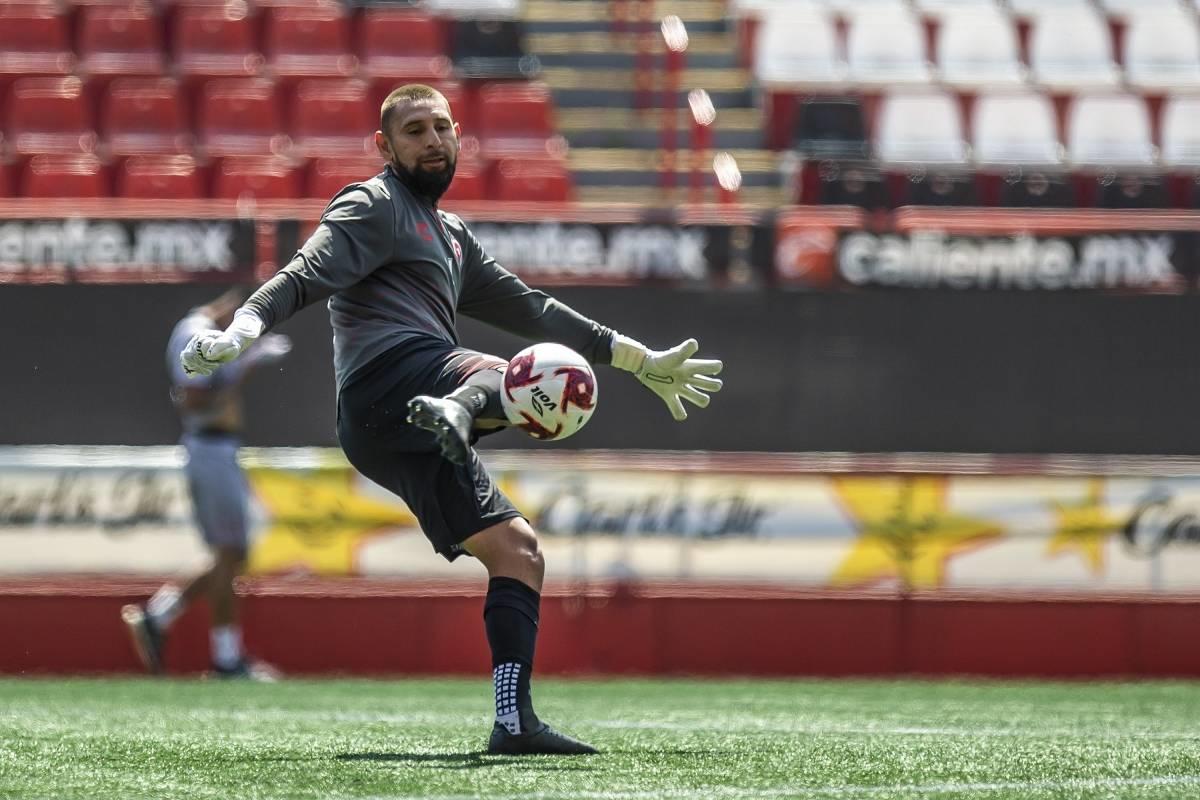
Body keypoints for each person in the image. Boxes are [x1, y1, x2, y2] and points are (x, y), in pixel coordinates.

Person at [177, 84, 723, 755]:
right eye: (414, 131)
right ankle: (460, 409)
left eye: (441, 127)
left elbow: (536, 310)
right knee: (513, 372)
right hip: (394, 385)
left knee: (518, 553)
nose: (432, 141)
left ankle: (513, 720)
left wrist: (639, 361)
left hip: (399, 432)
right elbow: (302, 274)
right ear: (384, 146)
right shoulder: (372, 202)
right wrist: (242, 330)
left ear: (459, 134)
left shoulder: (452, 236)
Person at [122, 288, 291, 680]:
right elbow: (195, 399)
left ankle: (159, 617)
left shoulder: (202, 329)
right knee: (230, 552)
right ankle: (225, 659)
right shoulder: (195, 332)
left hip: (217, 449)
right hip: (210, 449)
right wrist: (247, 365)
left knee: (230, 554)